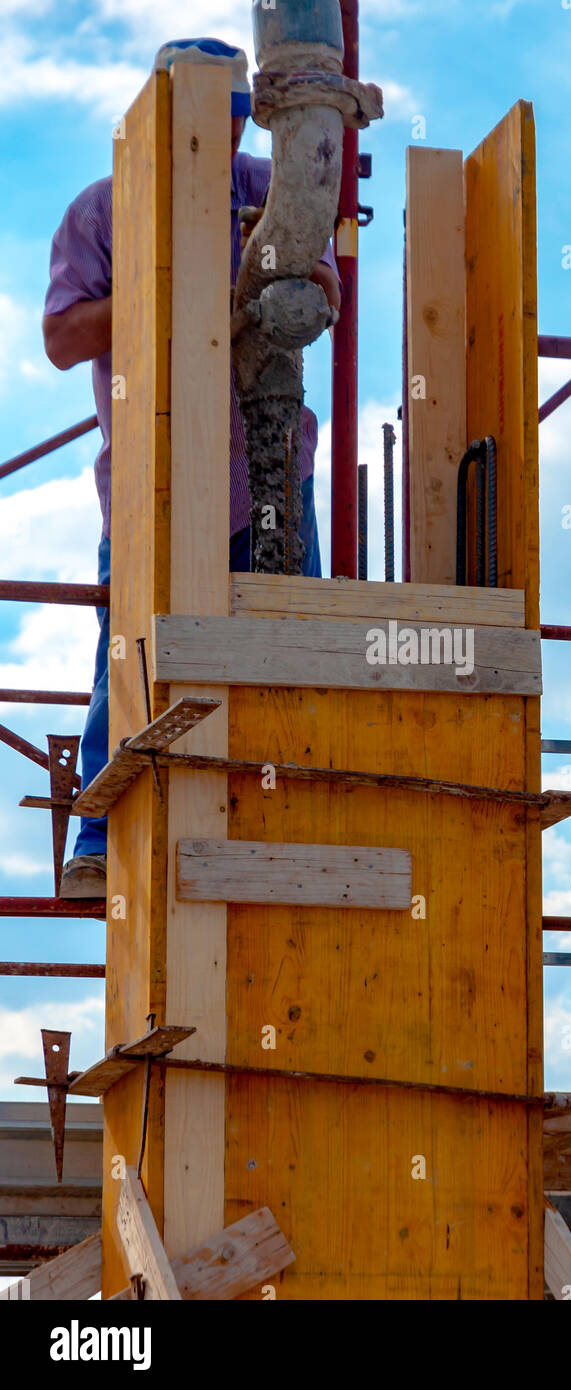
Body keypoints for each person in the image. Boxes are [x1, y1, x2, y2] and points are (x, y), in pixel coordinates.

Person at [42, 37, 341, 898]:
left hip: (270, 466)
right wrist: (174, 280)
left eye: (231, 126)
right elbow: (63, 339)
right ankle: (100, 838)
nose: (220, 145)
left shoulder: (262, 192)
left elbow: (325, 290)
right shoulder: (105, 211)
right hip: (152, 476)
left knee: (287, 644)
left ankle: (284, 825)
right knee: (130, 655)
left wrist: (285, 283)